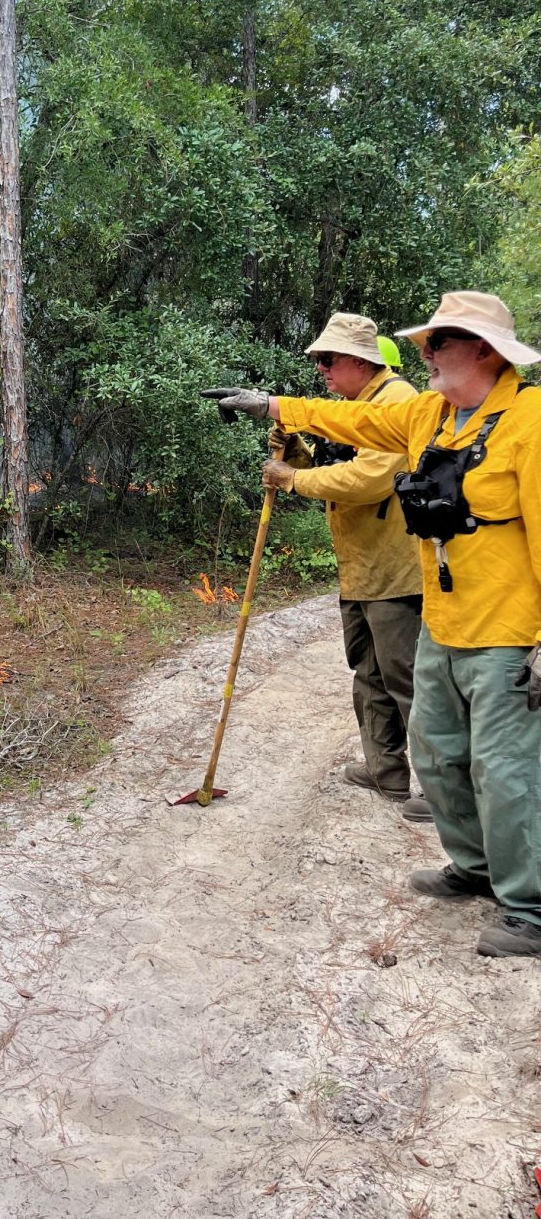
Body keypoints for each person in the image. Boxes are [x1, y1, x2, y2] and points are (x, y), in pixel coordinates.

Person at [204, 292, 541, 959]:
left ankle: (528, 906)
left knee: (506, 773)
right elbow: (343, 420)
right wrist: (268, 405)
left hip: (505, 630)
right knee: (439, 753)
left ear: (482, 350)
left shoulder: (529, 423)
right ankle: (472, 868)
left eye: (437, 343)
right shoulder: (430, 415)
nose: (425, 354)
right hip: (443, 622)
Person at [262, 313, 427, 818]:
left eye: (328, 360)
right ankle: (386, 770)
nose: (321, 369)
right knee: (369, 671)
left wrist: (291, 479)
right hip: (361, 567)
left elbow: (368, 482)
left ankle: (446, 793)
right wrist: (298, 455)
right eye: (318, 360)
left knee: (409, 679)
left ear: (360, 359)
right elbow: (335, 472)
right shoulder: (353, 407)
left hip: (397, 570)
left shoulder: (398, 402)